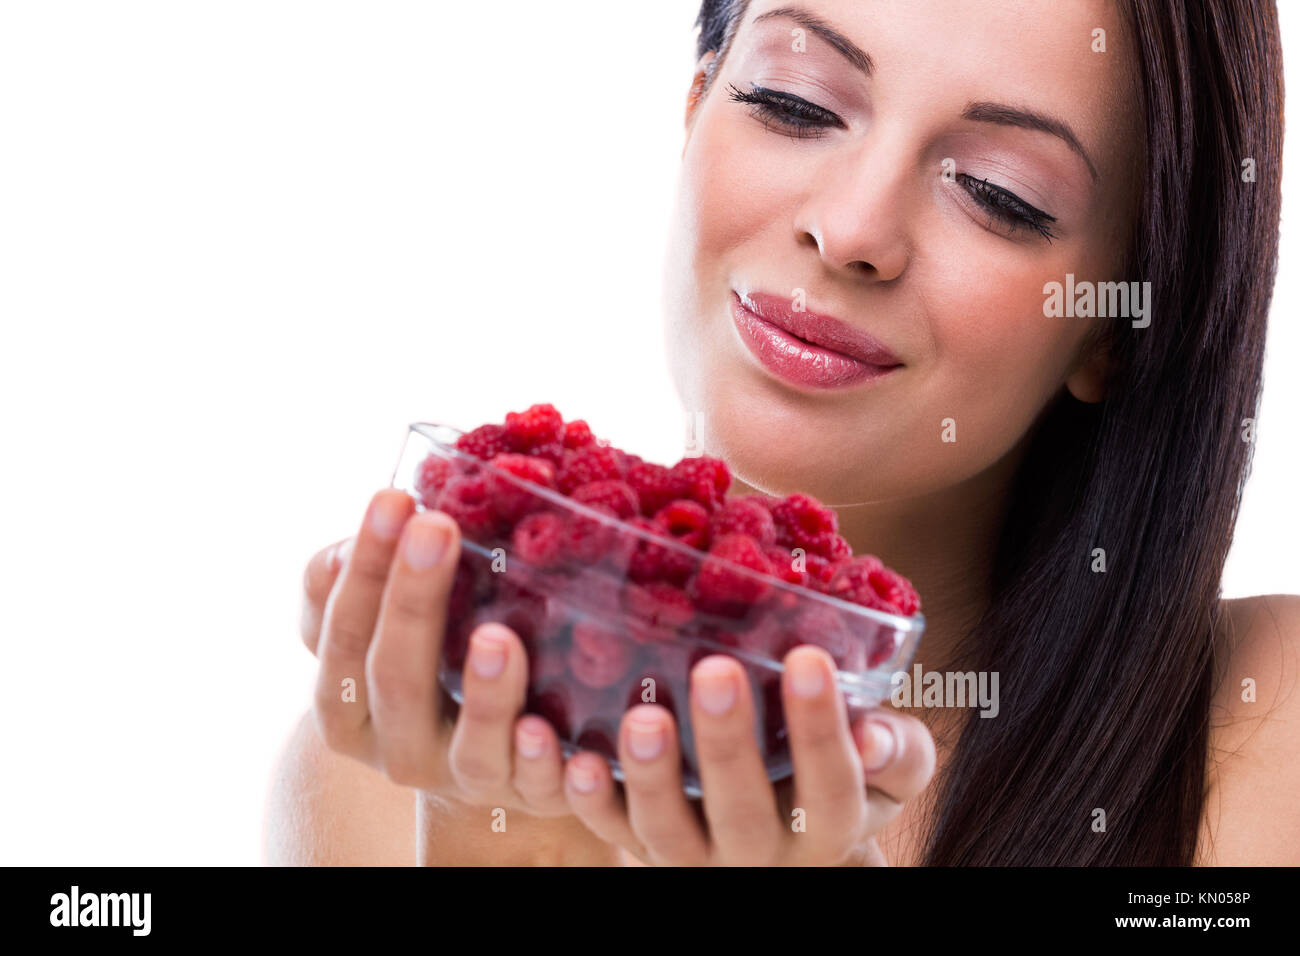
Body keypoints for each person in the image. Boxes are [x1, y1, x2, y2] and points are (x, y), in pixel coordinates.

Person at [266, 0, 1299, 866]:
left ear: (1116, 324)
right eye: (792, 102)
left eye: (997, 194)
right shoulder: (383, 768)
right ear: (693, 106)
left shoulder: (1268, 728)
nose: (851, 228)